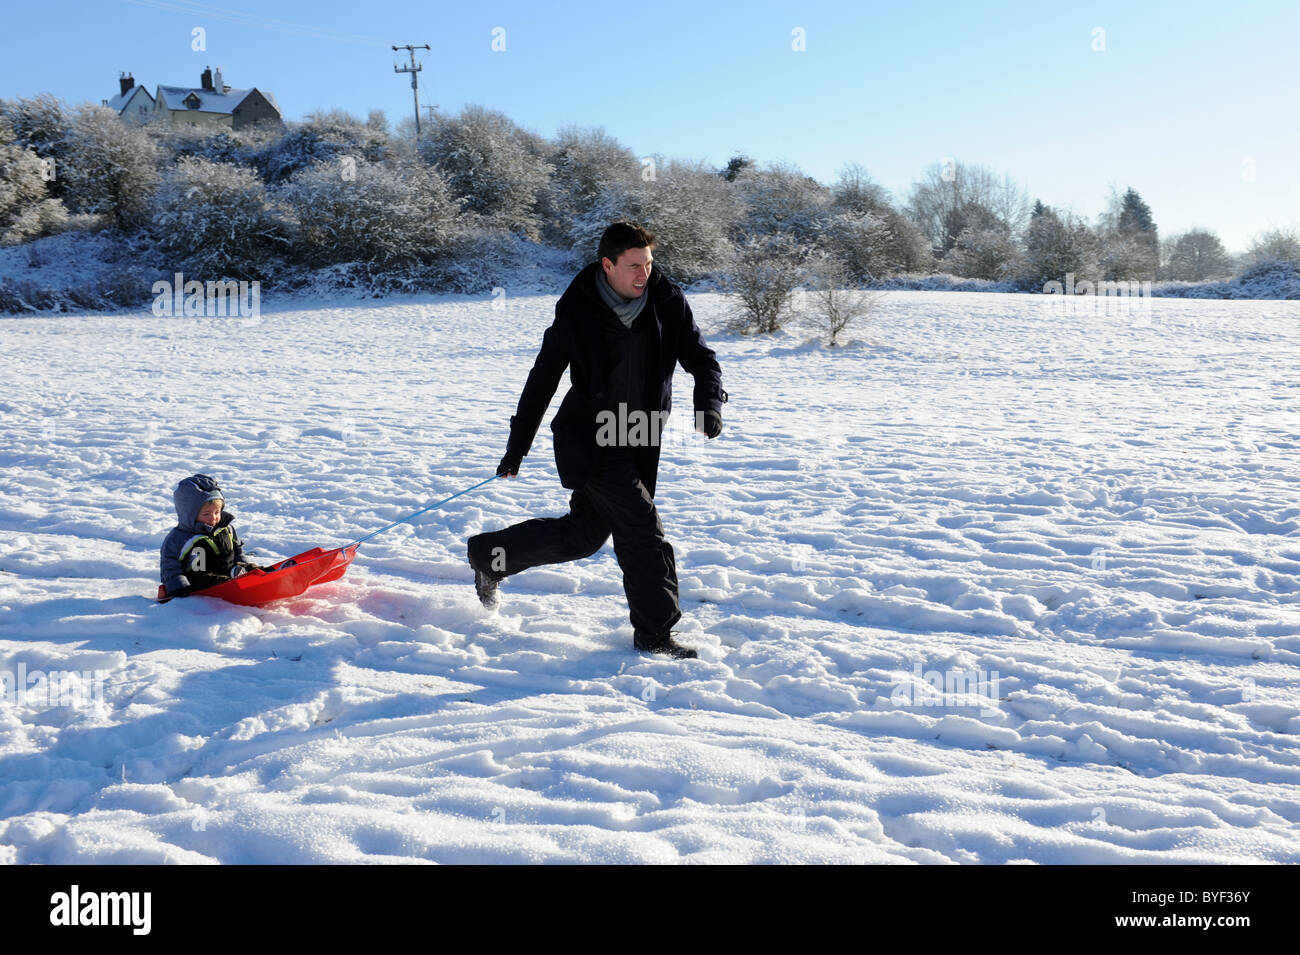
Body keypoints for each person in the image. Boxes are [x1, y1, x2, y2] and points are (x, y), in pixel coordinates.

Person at [467, 221, 726, 659]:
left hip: (641, 435)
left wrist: (709, 402)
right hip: (589, 438)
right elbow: (542, 379)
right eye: (634, 266)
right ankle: (654, 634)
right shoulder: (577, 311)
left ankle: (490, 555)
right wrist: (518, 446)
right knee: (643, 531)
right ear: (607, 265)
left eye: (648, 263)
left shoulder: (666, 300)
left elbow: (702, 358)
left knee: (583, 537)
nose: (644, 274)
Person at [160, 473, 262, 598]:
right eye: (206, 514)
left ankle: (264, 577)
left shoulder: (226, 528)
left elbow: (237, 549)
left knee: (250, 568)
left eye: (217, 512)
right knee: (210, 580)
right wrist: (177, 586)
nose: (213, 518)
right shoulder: (179, 539)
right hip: (199, 580)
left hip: (230, 570)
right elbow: (170, 565)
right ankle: (235, 585)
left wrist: (242, 564)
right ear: (190, 514)